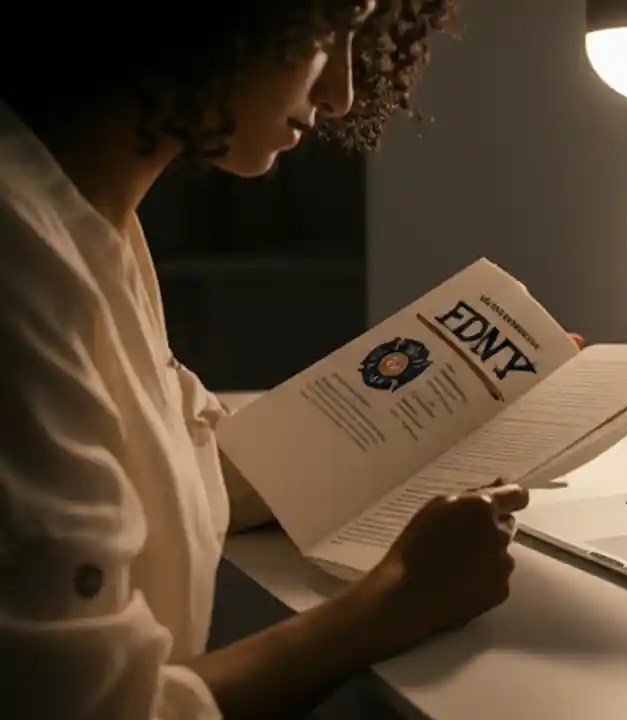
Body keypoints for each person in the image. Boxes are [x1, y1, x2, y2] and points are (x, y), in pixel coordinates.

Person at [0, 2, 556, 717]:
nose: (342, 94)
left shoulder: (91, 217)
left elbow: (183, 455)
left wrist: (456, 410)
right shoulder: (21, 266)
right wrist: (398, 598)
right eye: (330, 31)